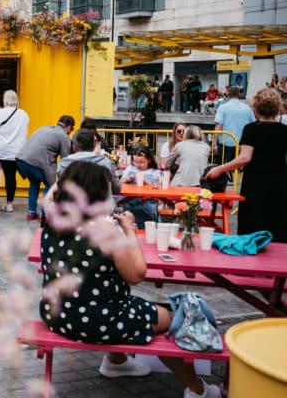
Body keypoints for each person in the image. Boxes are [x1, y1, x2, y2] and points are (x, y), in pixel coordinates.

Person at [41, 161, 221, 398]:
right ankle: (198, 390)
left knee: (116, 302)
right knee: (172, 317)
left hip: (57, 315)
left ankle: (117, 362)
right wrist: (128, 231)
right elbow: (136, 274)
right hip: (98, 321)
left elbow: (51, 195)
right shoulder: (105, 231)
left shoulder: (51, 222)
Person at [206, 88, 287, 242]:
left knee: (252, 226)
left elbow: (244, 158)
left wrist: (219, 168)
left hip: (255, 183)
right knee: (277, 225)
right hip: (280, 183)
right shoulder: (284, 130)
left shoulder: (251, 129)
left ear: (256, 107)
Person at [15, 115, 74, 220]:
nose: (71, 132)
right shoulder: (64, 136)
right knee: (50, 185)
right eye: (72, 129)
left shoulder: (43, 128)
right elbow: (65, 160)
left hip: (21, 159)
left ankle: (31, 212)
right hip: (37, 162)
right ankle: (44, 214)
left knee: (34, 182)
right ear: (69, 127)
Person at [0, 90, 29, 212]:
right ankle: (9, 204)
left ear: (5, 100)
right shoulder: (24, 115)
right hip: (14, 153)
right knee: (11, 178)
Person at [57, 128, 121, 196]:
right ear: (94, 145)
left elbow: (60, 187)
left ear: (74, 146)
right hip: (101, 202)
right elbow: (117, 188)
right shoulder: (105, 162)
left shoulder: (64, 164)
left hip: (72, 202)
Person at [119, 146, 161, 228]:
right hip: (128, 199)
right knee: (125, 208)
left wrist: (146, 182)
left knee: (148, 208)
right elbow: (119, 183)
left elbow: (158, 187)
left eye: (142, 162)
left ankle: (148, 228)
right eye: (136, 162)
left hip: (147, 199)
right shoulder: (130, 169)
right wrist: (127, 179)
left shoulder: (154, 171)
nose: (138, 165)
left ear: (149, 160)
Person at [213, 86, 255, 163]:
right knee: (239, 168)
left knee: (225, 167)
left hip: (226, 144)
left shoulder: (223, 107)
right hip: (242, 145)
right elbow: (253, 125)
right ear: (239, 94)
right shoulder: (248, 108)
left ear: (228, 94)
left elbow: (219, 125)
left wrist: (214, 143)